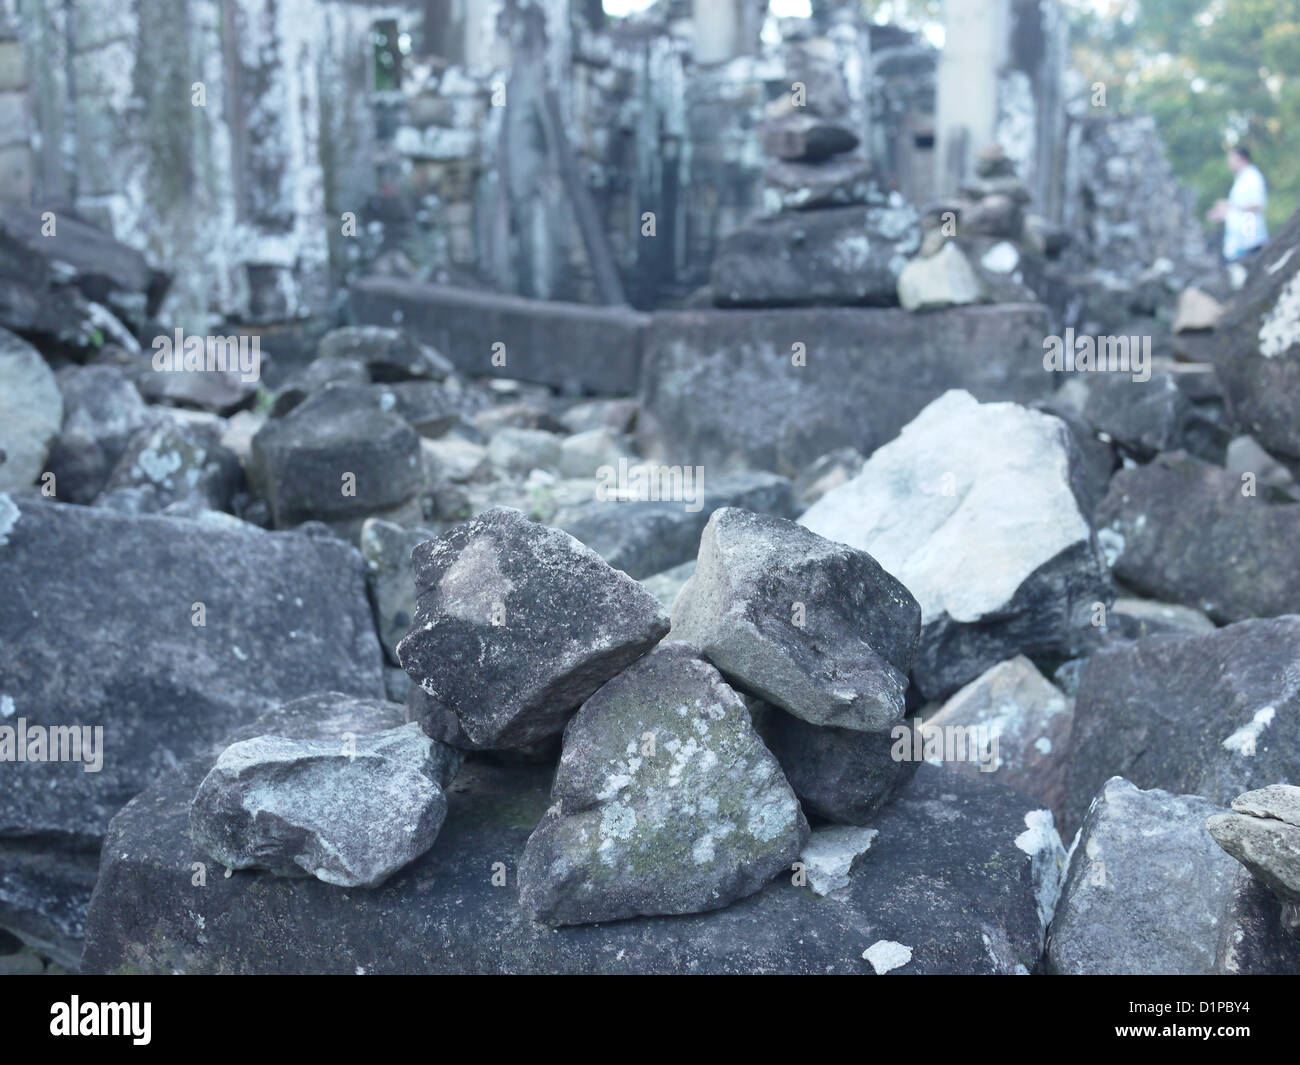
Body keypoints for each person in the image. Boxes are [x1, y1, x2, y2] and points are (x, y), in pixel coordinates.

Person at [1208, 146, 1268, 262]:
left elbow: (1257, 204)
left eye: (1231, 158)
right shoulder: (1241, 179)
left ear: (1242, 158)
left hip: (1250, 242)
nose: (1229, 161)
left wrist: (1229, 205)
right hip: (1239, 244)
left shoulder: (1252, 177)